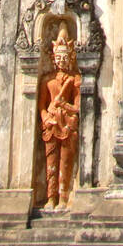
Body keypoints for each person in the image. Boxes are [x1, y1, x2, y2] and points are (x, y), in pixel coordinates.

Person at [39, 30, 80, 211]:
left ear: (71, 57)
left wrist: (64, 105)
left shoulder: (75, 80)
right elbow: (41, 105)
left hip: (67, 126)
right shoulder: (47, 81)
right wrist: (46, 118)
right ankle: (50, 197)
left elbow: (77, 107)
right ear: (53, 58)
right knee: (51, 163)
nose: (62, 60)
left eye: (65, 57)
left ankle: (63, 197)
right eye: (58, 57)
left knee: (65, 162)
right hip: (51, 125)